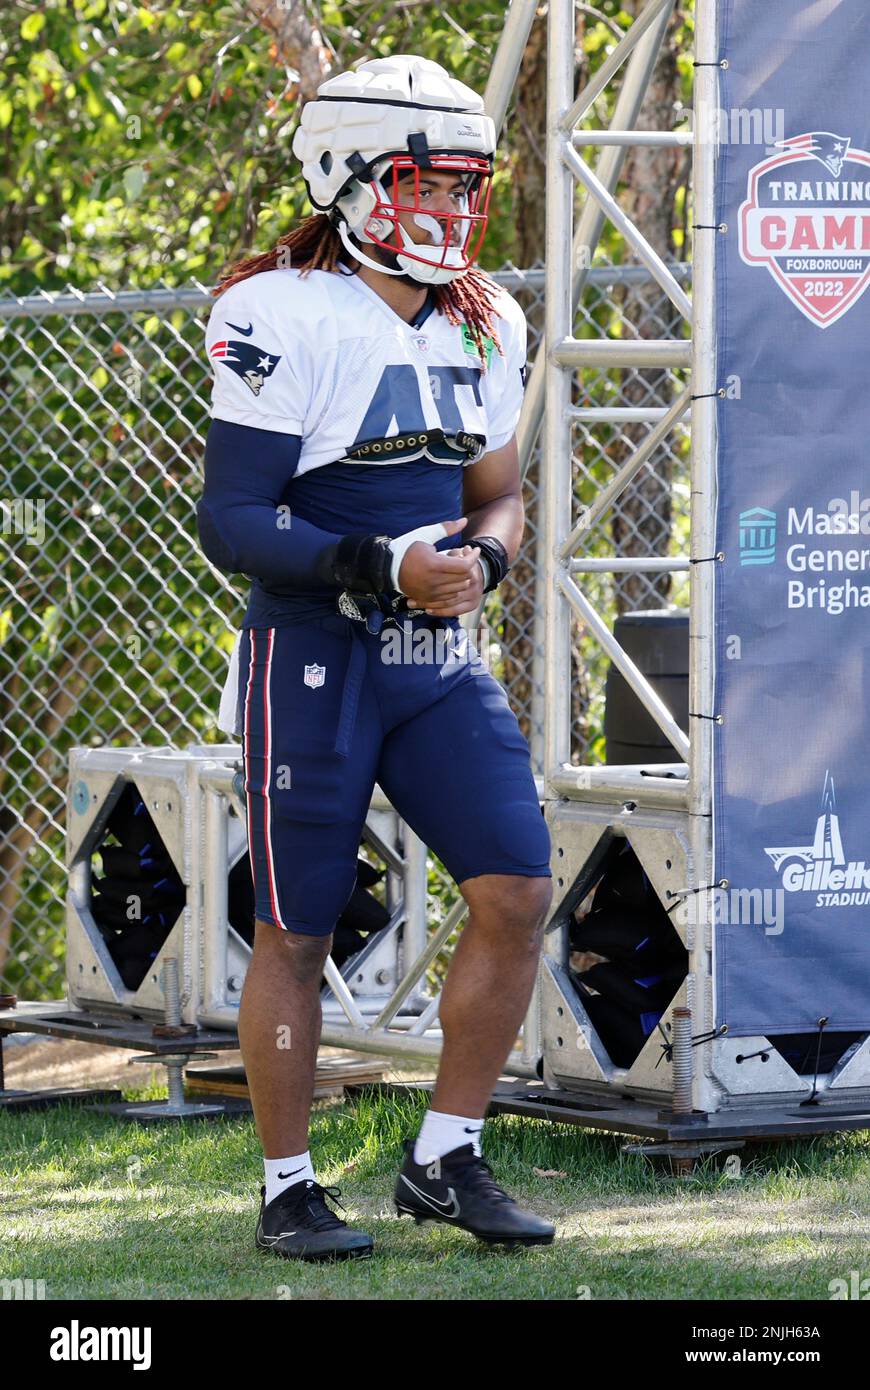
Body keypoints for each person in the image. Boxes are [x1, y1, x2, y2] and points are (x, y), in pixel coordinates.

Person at [197, 53, 554, 1261]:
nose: (451, 211)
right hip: (314, 649)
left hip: (433, 656)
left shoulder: (489, 316)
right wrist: (376, 564)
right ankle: (288, 1186)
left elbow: (499, 493)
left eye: (465, 186)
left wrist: (485, 567)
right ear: (343, 178)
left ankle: (445, 1156)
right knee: (300, 927)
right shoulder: (274, 307)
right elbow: (235, 521)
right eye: (421, 181)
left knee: (516, 891)